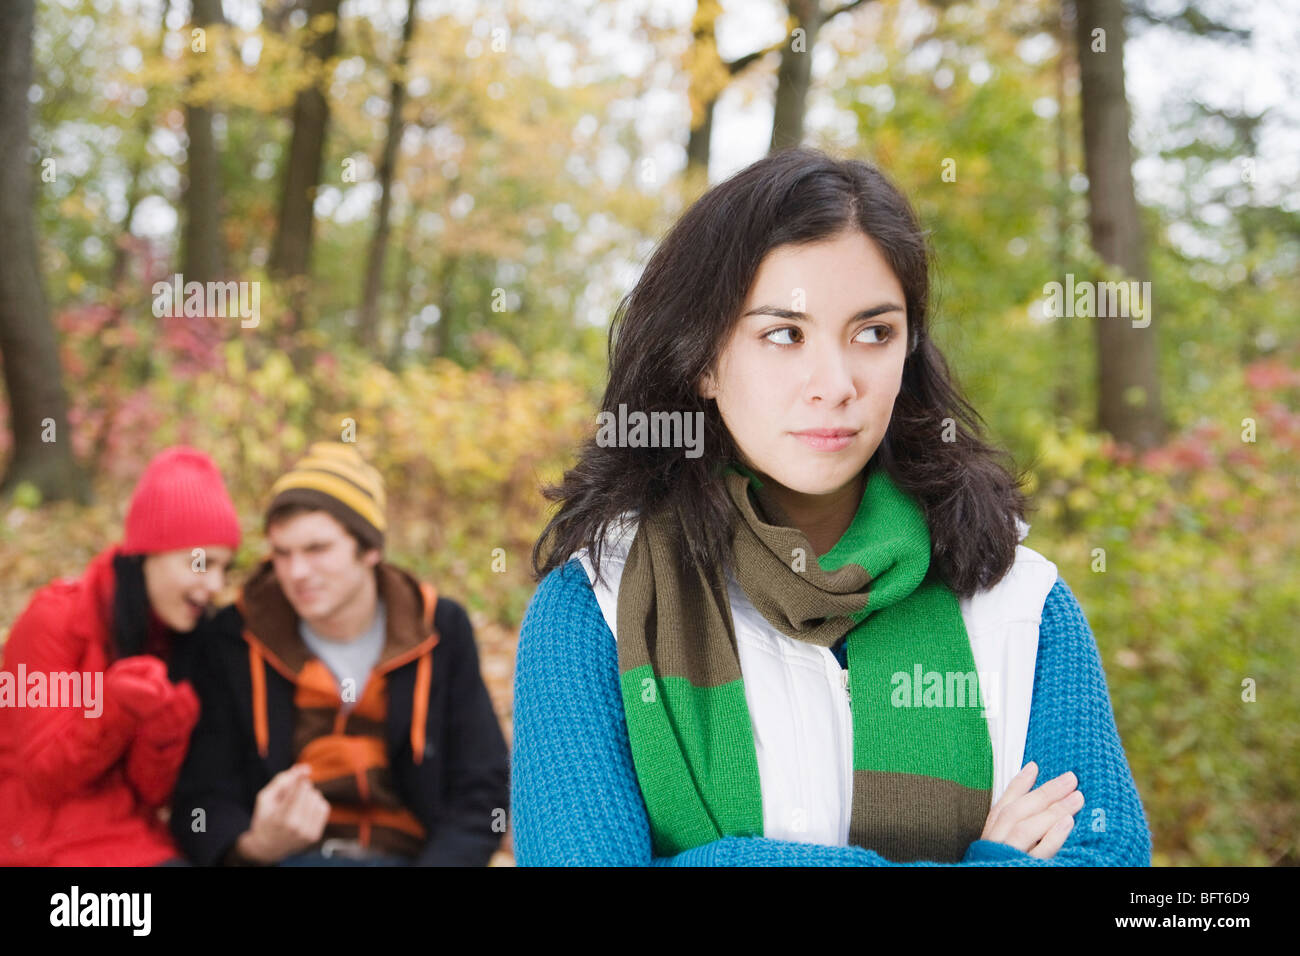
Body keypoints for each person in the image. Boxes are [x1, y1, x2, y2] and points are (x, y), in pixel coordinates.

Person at [511, 147, 1153, 866]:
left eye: (874, 333)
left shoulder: (1019, 601)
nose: (836, 382)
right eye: (783, 334)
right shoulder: (595, 604)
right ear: (702, 359)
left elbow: (1107, 857)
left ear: (909, 350)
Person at [171, 442, 509, 866]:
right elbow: (202, 793)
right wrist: (254, 847)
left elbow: (480, 788)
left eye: (317, 550)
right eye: (282, 553)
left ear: (370, 550)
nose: (296, 573)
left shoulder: (440, 628)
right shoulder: (235, 636)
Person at [0, 446, 240, 866]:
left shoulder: (174, 633)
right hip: (40, 845)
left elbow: (150, 793)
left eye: (225, 567)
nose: (215, 584)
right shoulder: (53, 619)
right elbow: (44, 774)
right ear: (147, 553)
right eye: (200, 563)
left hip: (135, 843)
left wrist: (167, 728)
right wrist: (115, 708)